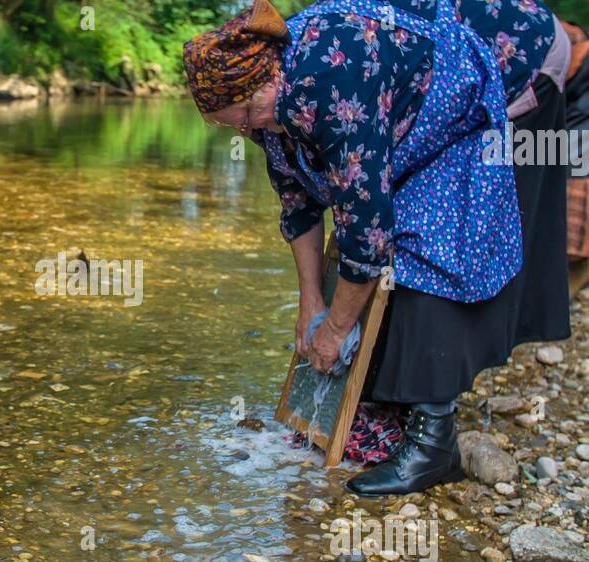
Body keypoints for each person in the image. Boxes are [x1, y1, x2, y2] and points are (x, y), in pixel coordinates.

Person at [184, 0, 571, 495]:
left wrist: (337, 328)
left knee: (423, 239)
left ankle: (434, 445)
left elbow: (367, 236)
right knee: (377, 235)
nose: (238, 130)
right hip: (407, 99)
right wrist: (311, 304)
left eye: (236, 118)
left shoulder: (332, 85)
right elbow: (298, 202)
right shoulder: (266, 103)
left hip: (493, 77)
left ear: (264, 84)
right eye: (225, 124)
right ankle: (389, 392)